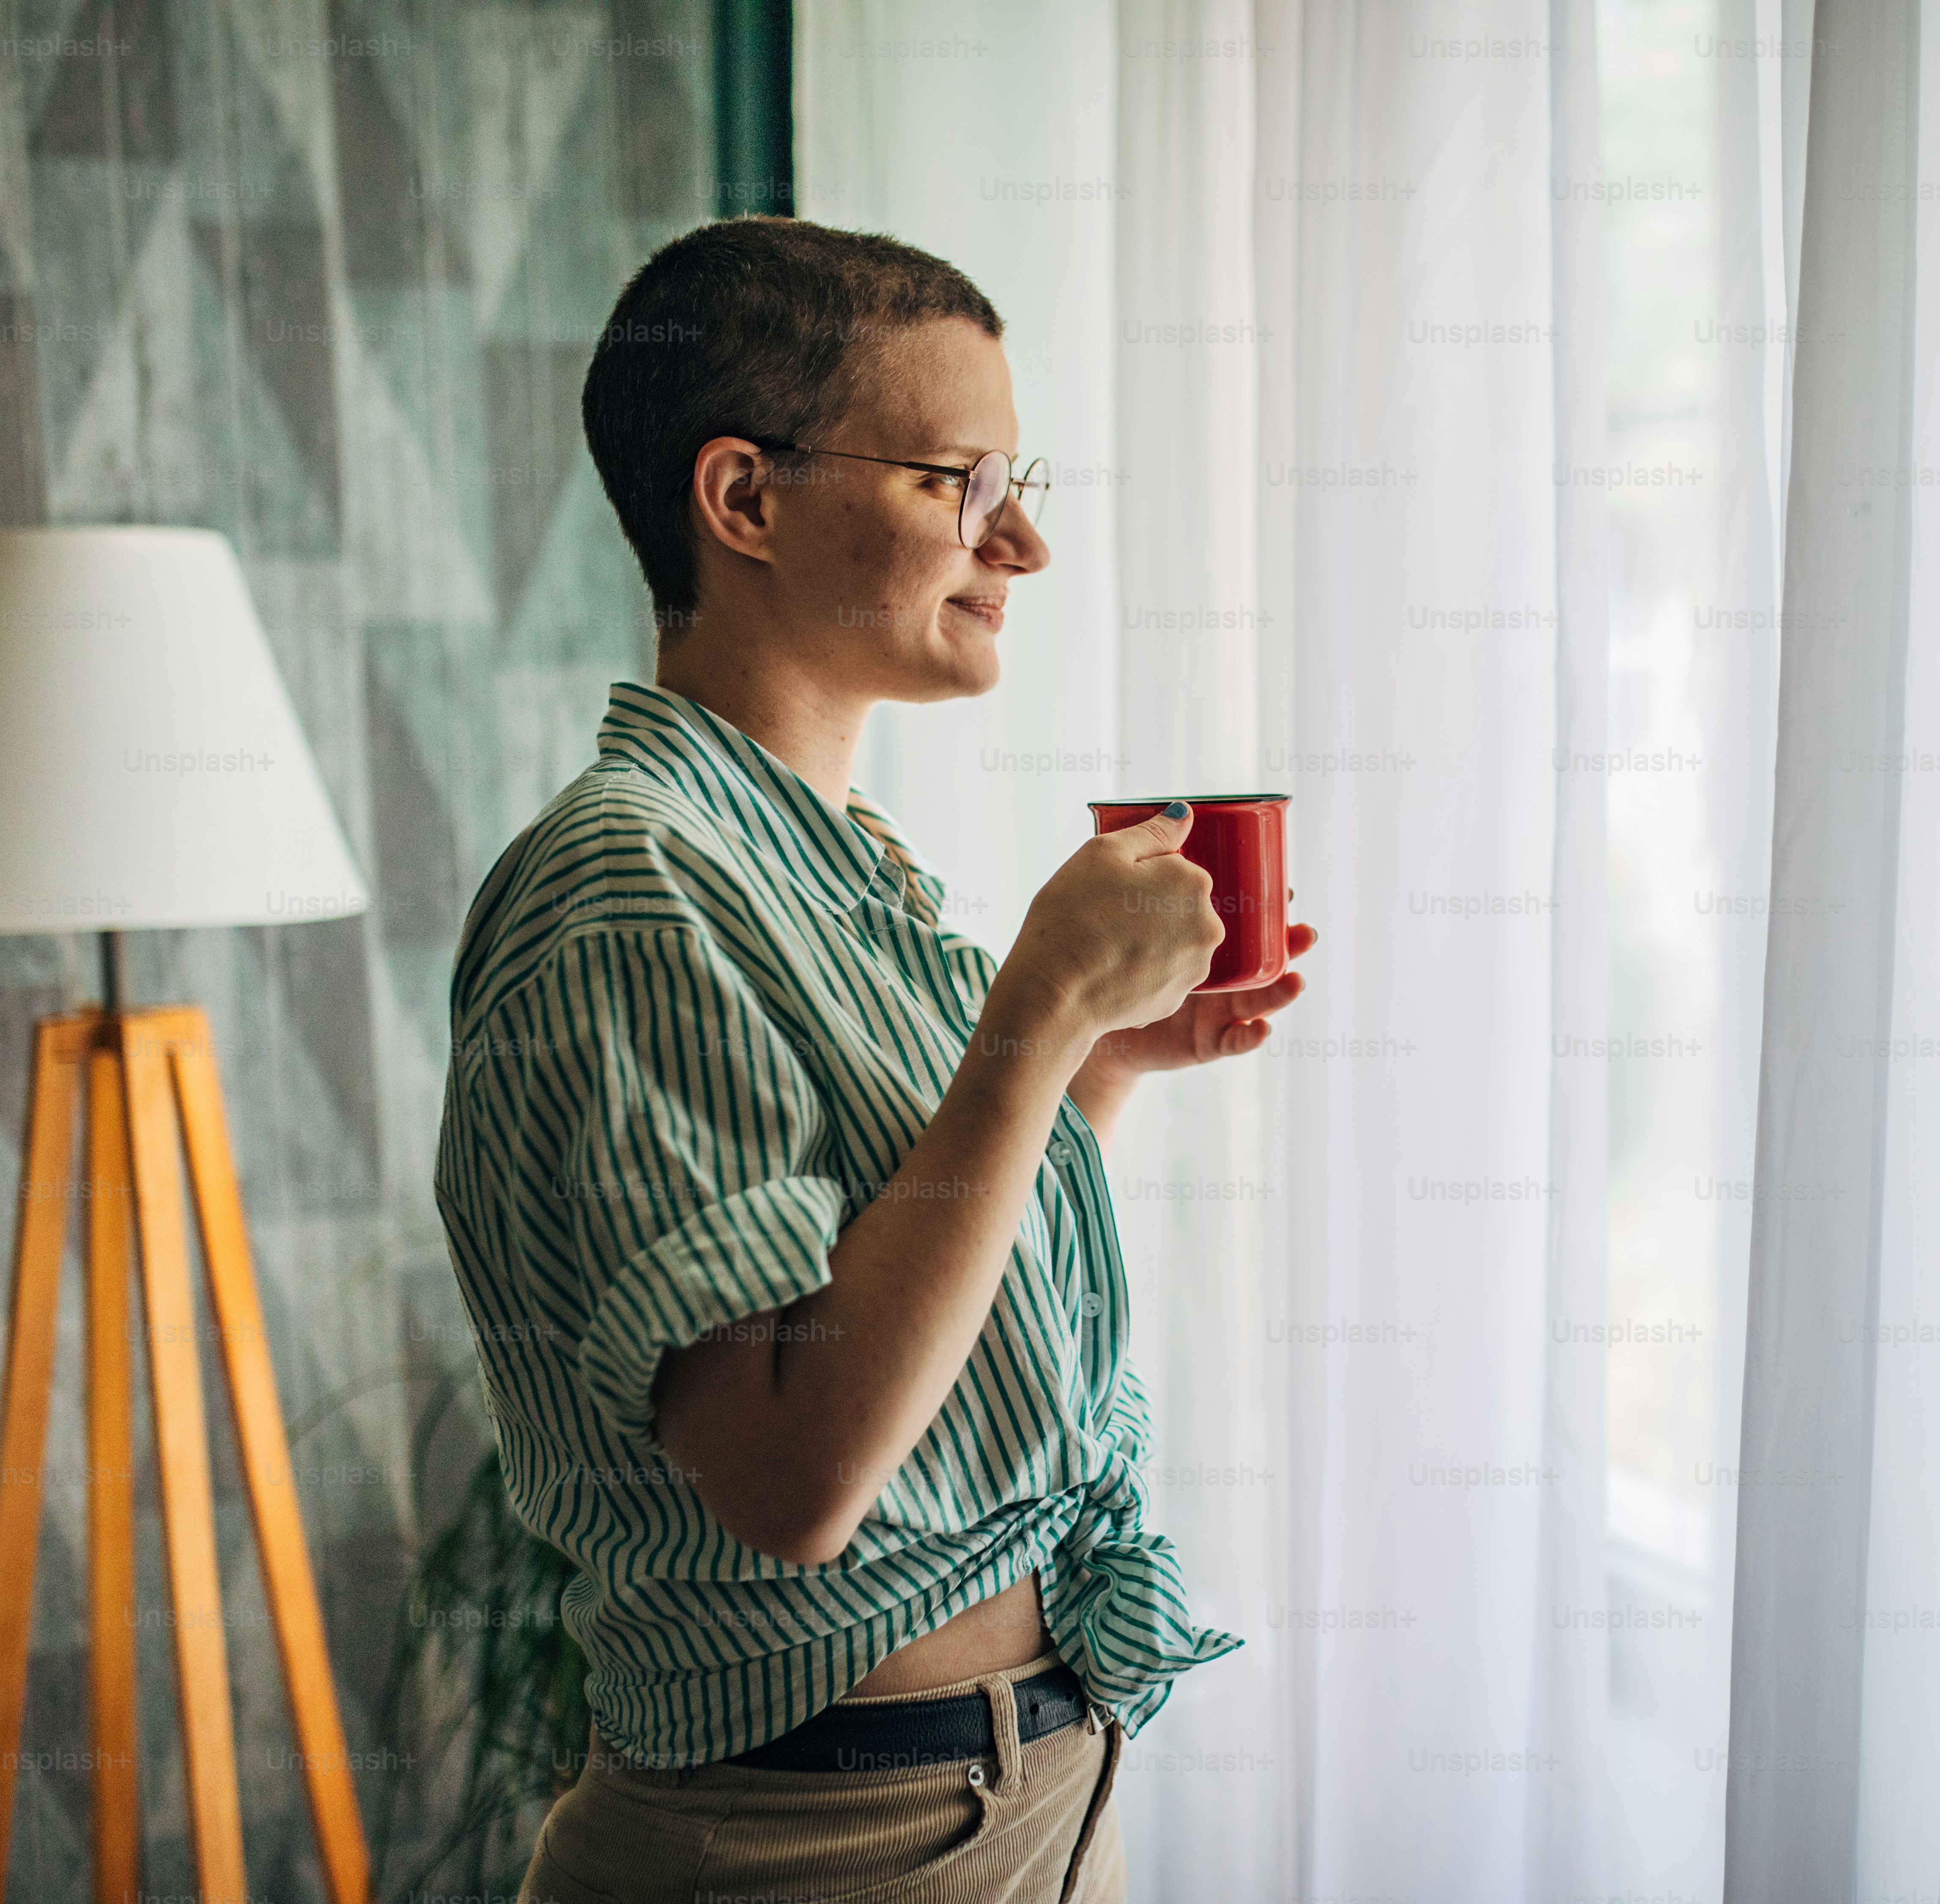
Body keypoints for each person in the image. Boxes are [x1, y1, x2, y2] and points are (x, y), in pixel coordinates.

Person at [433, 216, 1313, 1904]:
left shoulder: (845, 869)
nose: (1026, 543)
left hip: (1035, 1790)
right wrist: (1034, 1017)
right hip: (815, 1848)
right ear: (744, 500)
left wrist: (1098, 1070)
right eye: (959, 483)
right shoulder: (627, 887)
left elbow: (933, 1340)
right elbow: (800, 1473)